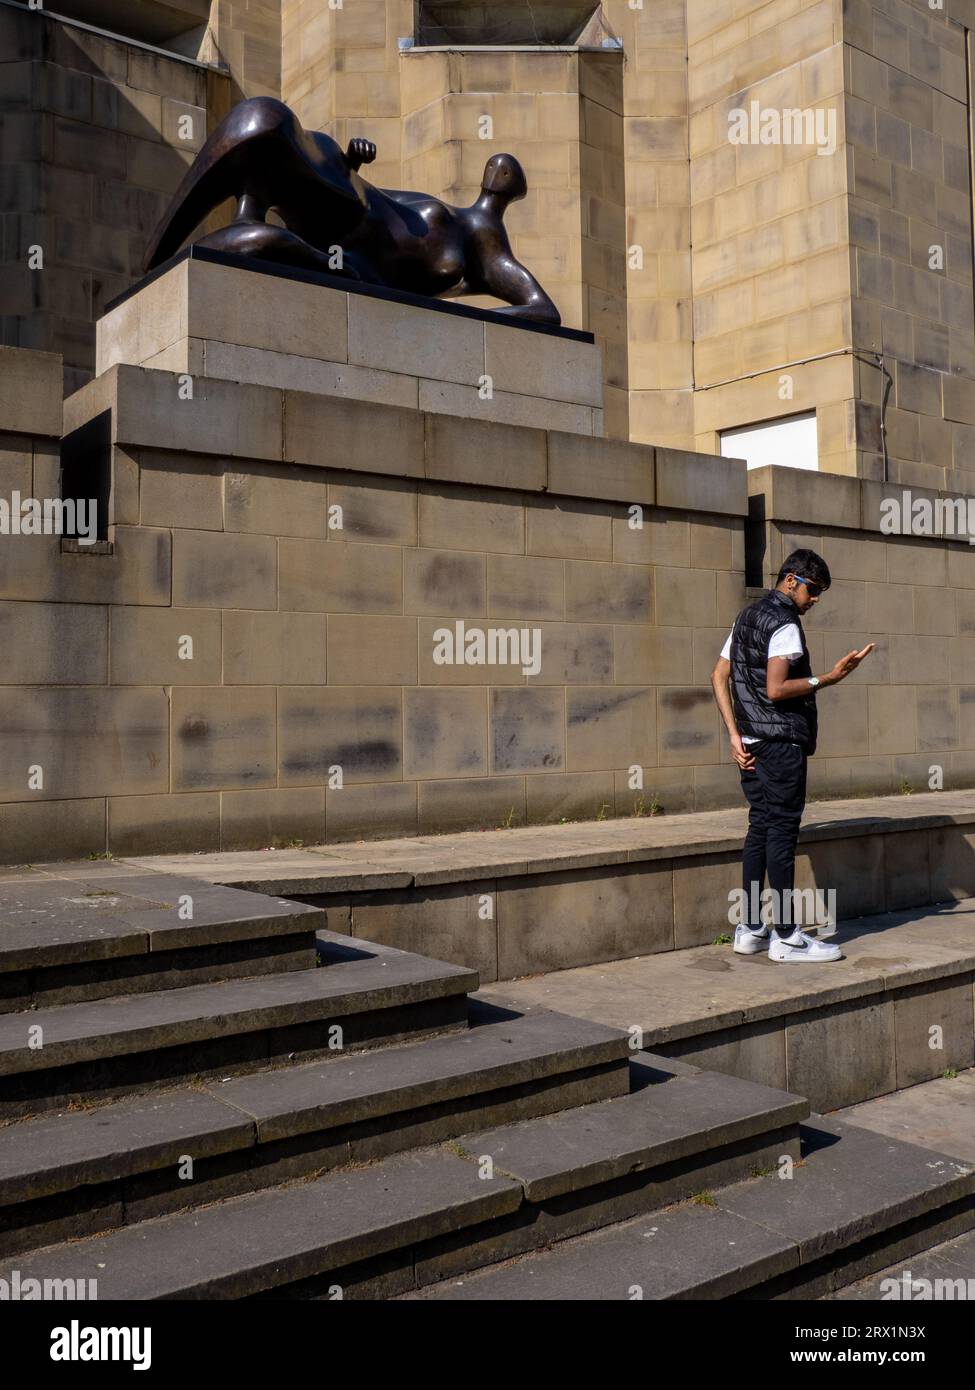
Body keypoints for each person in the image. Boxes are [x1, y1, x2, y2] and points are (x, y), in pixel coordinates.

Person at [710, 549, 874, 963]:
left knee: (760, 829)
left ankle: (750, 929)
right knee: (781, 834)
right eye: (813, 589)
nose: (815, 599)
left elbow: (718, 675)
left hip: (749, 742)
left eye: (820, 592)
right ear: (790, 581)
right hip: (780, 745)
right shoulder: (784, 623)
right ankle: (785, 936)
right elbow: (777, 690)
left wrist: (734, 735)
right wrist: (829, 678)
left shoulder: (746, 617)